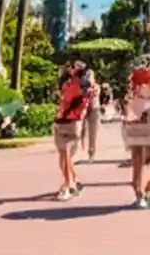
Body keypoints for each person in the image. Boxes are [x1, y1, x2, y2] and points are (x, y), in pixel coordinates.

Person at [123, 67, 150, 209]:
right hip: (137, 127)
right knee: (138, 160)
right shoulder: (136, 92)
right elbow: (129, 109)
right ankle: (139, 192)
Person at [53, 62, 92, 200]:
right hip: (69, 123)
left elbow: (65, 97)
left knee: (65, 157)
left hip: (68, 122)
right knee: (65, 158)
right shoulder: (83, 87)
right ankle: (72, 180)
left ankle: (69, 185)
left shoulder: (74, 87)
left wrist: (67, 77)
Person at [82, 69, 103, 161]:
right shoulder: (81, 87)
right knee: (81, 130)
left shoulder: (96, 87)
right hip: (84, 109)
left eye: (90, 76)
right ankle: (80, 145)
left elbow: (95, 93)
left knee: (92, 133)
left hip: (94, 110)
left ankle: (91, 152)